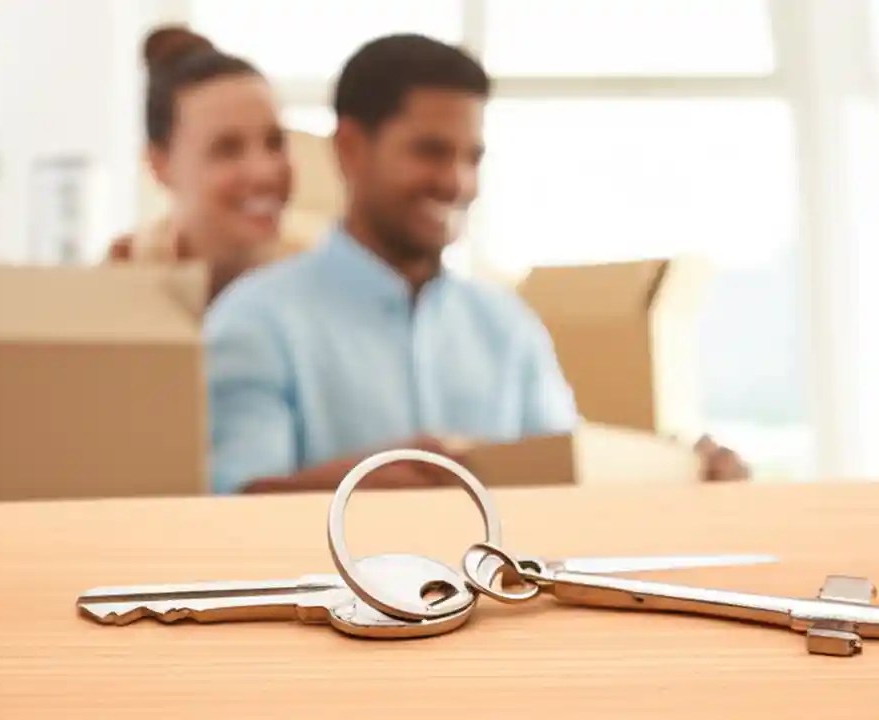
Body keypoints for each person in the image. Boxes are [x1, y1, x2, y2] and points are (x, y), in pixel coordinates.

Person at [205, 34, 747, 494]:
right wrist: (360, 484)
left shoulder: (506, 324)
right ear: (350, 148)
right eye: (430, 151)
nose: (456, 182)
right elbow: (231, 502)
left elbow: (567, 479)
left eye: (472, 157)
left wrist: (690, 477)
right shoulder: (255, 319)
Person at [108, 26, 293, 302]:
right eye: (227, 149)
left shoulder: (330, 283)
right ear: (159, 164)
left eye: (274, 143)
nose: (263, 172)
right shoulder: (116, 281)